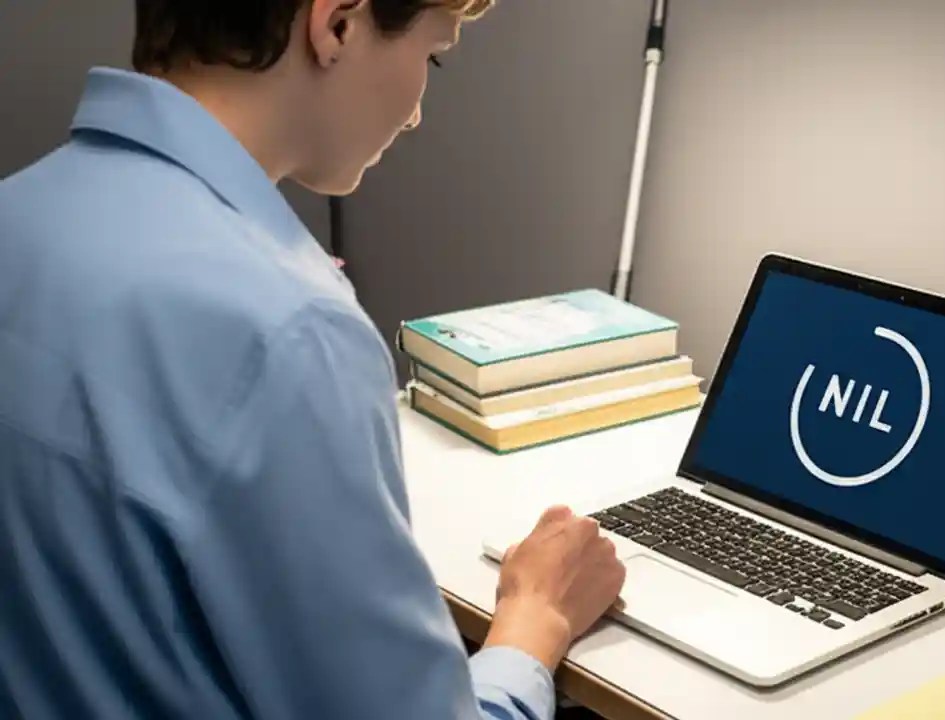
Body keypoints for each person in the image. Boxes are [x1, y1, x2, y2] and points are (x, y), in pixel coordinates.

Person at [0, 1, 626, 718]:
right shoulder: (289, 327)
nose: (419, 110)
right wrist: (532, 625)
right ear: (337, 24)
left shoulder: (17, 214)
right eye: (434, 54)